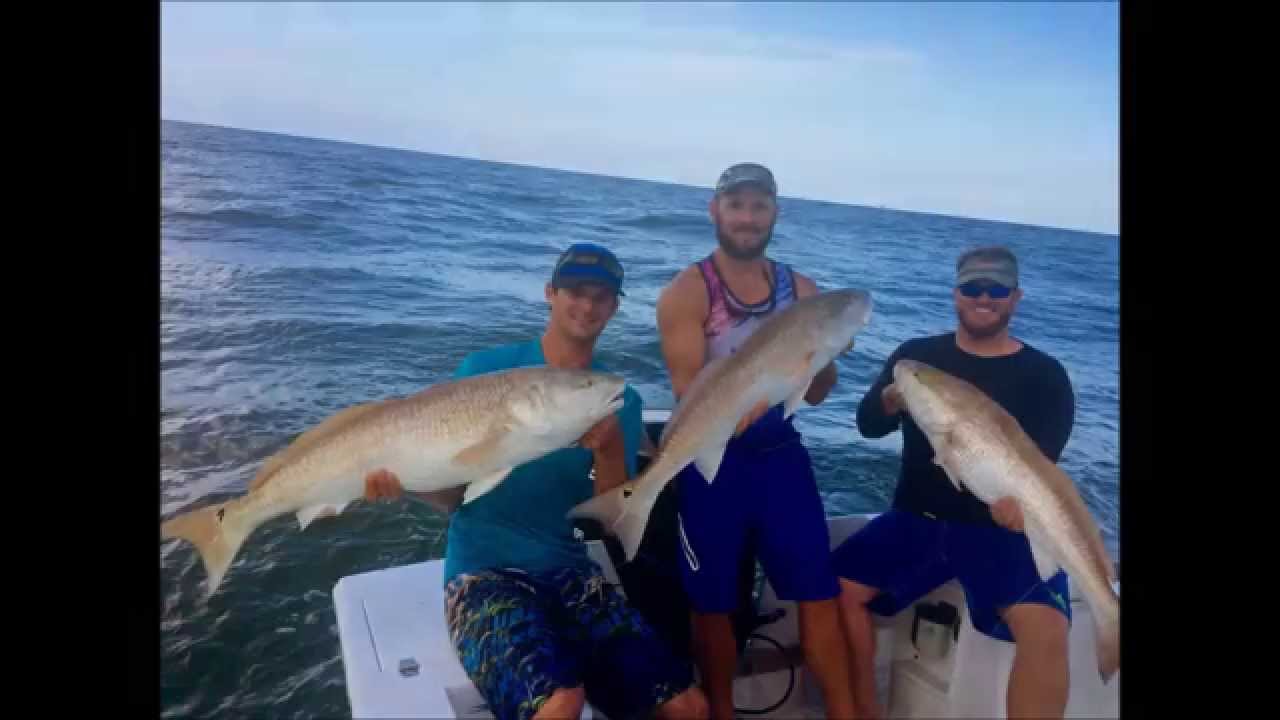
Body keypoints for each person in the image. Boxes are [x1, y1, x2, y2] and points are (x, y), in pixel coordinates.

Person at [363, 242, 708, 720]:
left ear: (614, 307)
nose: (587, 305)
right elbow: (454, 499)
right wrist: (404, 484)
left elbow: (613, 521)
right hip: (481, 575)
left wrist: (609, 449)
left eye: (601, 296)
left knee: (688, 707)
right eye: (575, 291)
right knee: (561, 704)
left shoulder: (616, 400)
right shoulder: (484, 373)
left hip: (570, 572)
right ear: (550, 293)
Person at [832, 245, 1076, 719]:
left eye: (997, 289)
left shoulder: (1046, 377)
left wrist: (1021, 511)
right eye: (972, 287)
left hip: (1000, 531)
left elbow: (1043, 468)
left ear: (1016, 297)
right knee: (836, 589)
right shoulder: (917, 357)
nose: (984, 297)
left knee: (1048, 631)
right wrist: (889, 400)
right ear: (956, 293)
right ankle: (864, 712)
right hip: (915, 519)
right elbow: (867, 425)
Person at [655, 163, 858, 720]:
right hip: (713, 462)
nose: (747, 217)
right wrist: (735, 411)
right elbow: (688, 393)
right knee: (711, 605)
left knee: (818, 592)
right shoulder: (686, 293)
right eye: (736, 205)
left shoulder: (804, 292)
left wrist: (821, 357)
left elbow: (819, 393)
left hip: (781, 462)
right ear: (715, 210)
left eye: (759, 206)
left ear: (775, 213)